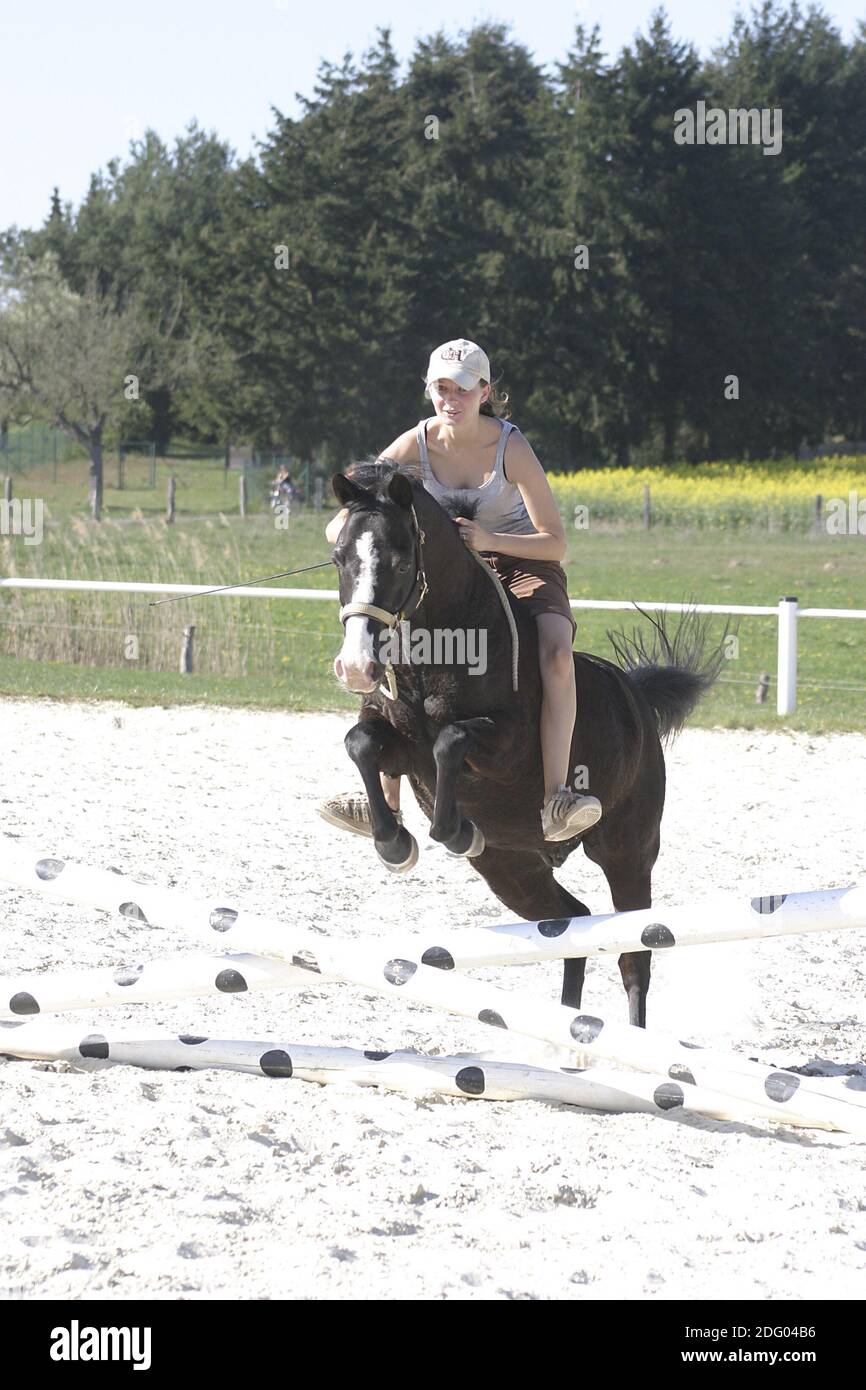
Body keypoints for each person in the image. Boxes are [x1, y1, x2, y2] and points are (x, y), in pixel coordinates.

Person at [319, 338, 602, 843]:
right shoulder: (413, 444)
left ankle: (557, 796)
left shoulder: (511, 447)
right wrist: (353, 536)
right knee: (390, 638)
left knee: (557, 654)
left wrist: (488, 539)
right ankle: (382, 801)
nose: (450, 400)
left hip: (522, 562)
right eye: (441, 389)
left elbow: (556, 543)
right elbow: (345, 520)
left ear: (484, 391)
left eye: (463, 390)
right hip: (449, 573)